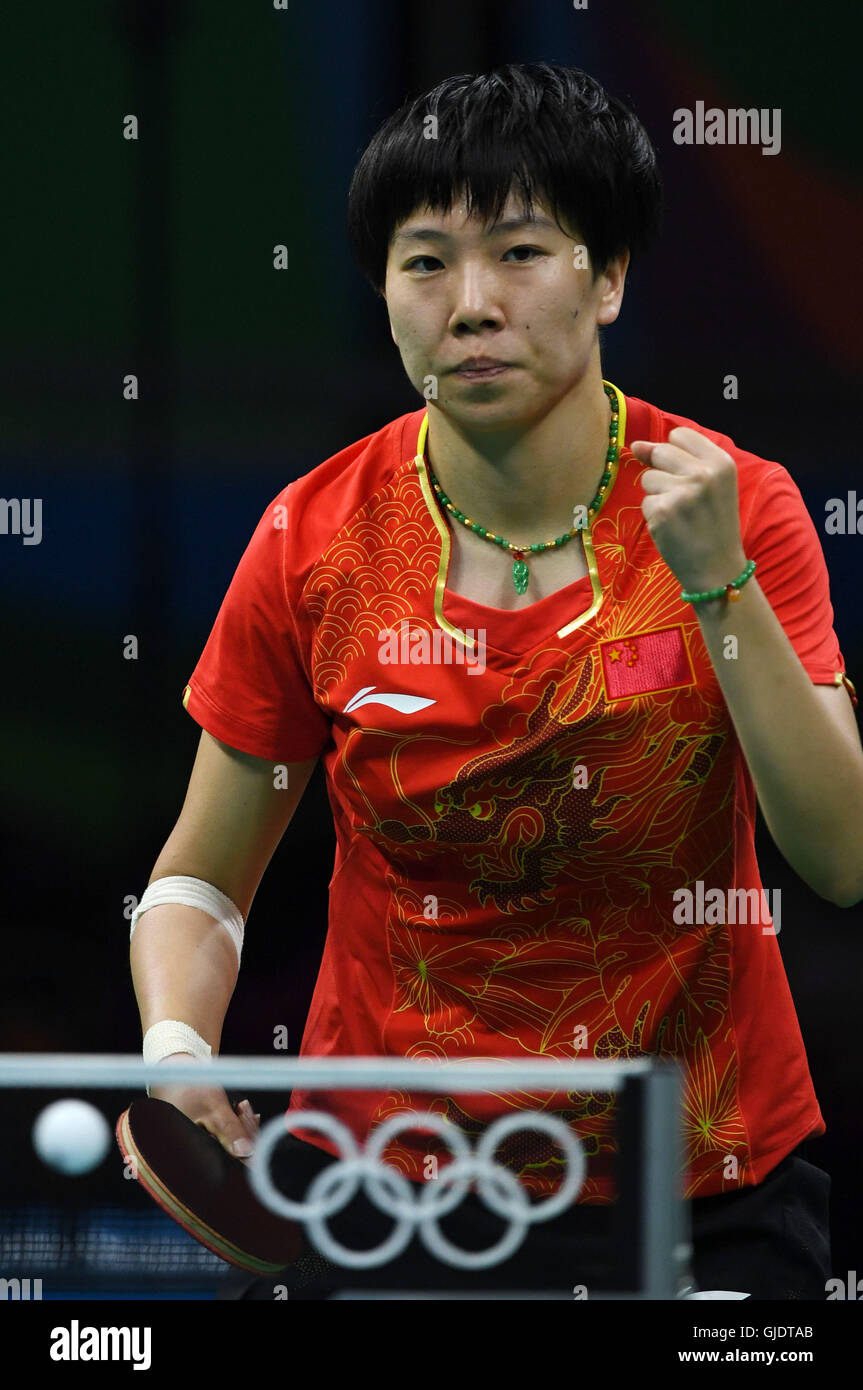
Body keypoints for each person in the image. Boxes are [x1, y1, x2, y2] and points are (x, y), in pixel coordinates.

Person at [128, 62, 863, 1299]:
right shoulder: (311, 544)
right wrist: (172, 1042)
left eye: (520, 251)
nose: (471, 305)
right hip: (379, 1183)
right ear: (385, 296)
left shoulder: (738, 506)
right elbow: (201, 871)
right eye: (424, 263)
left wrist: (717, 586)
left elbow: (840, 855)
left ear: (609, 278)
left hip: (702, 1182)